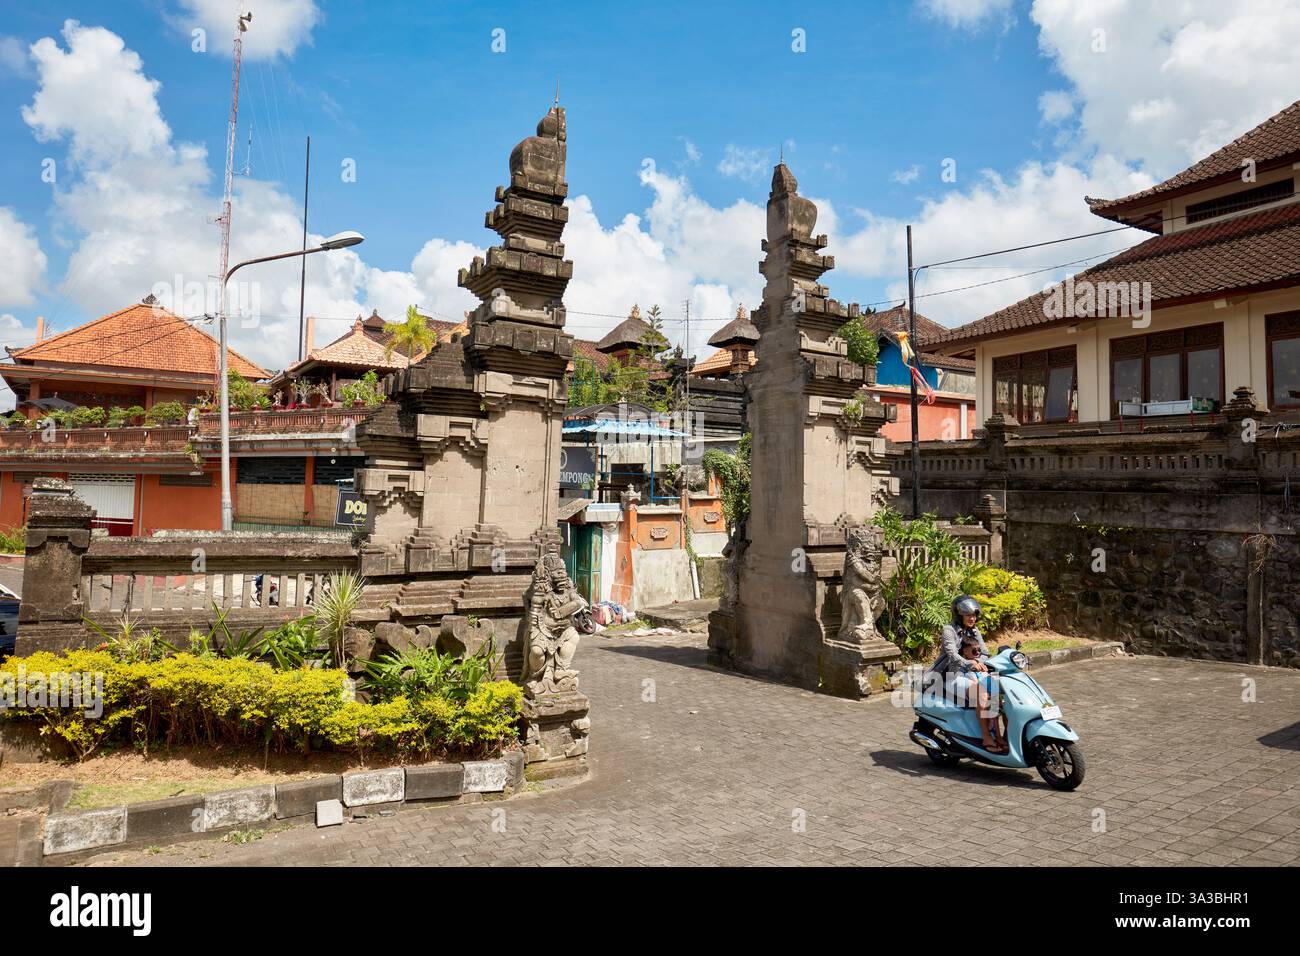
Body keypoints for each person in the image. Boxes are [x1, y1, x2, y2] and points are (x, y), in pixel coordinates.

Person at [932, 595, 1007, 753]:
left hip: (972, 674)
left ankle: (1000, 736)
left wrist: (978, 661)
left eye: (974, 615)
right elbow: (952, 654)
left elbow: (985, 652)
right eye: (968, 615)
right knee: (982, 693)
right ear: (959, 615)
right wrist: (969, 663)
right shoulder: (949, 630)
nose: (972, 618)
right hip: (952, 675)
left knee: (1000, 695)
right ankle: (986, 737)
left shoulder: (974, 630)